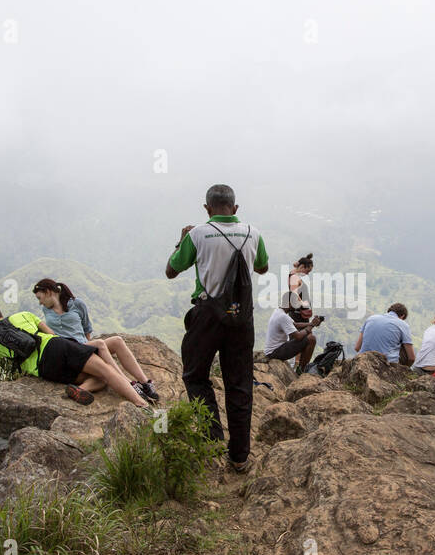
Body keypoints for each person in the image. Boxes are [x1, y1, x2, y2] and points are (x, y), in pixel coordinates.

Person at [165, 184, 269, 473]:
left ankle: (212, 439)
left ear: (207, 209)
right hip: (241, 318)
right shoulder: (254, 232)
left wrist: (181, 240)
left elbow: (171, 271)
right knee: (239, 383)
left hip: (207, 316)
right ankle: (239, 457)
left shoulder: (198, 233)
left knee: (195, 375)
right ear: (235, 209)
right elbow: (262, 268)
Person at [0, 303, 149, 408]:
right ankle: (142, 404)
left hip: (44, 370)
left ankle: (81, 389)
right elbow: (50, 333)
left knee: (100, 378)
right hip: (55, 346)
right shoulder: (23, 315)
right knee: (105, 370)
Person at [32, 277, 159, 402]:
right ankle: (127, 382)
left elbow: (87, 328)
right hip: (67, 351)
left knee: (117, 341)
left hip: (83, 346)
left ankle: (145, 383)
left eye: (40, 298)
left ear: (48, 292)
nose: (40, 303)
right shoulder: (46, 310)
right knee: (100, 348)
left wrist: (87, 348)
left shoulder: (77, 304)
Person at [265, 292, 324, 374]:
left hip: (273, 351)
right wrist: (312, 325)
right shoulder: (283, 317)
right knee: (311, 339)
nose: (297, 305)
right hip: (275, 352)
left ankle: (300, 369)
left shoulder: (278, 311)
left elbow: (295, 325)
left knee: (308, 337)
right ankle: (301, 371)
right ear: (289, 303)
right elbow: (298, 336)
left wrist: (311, 323)